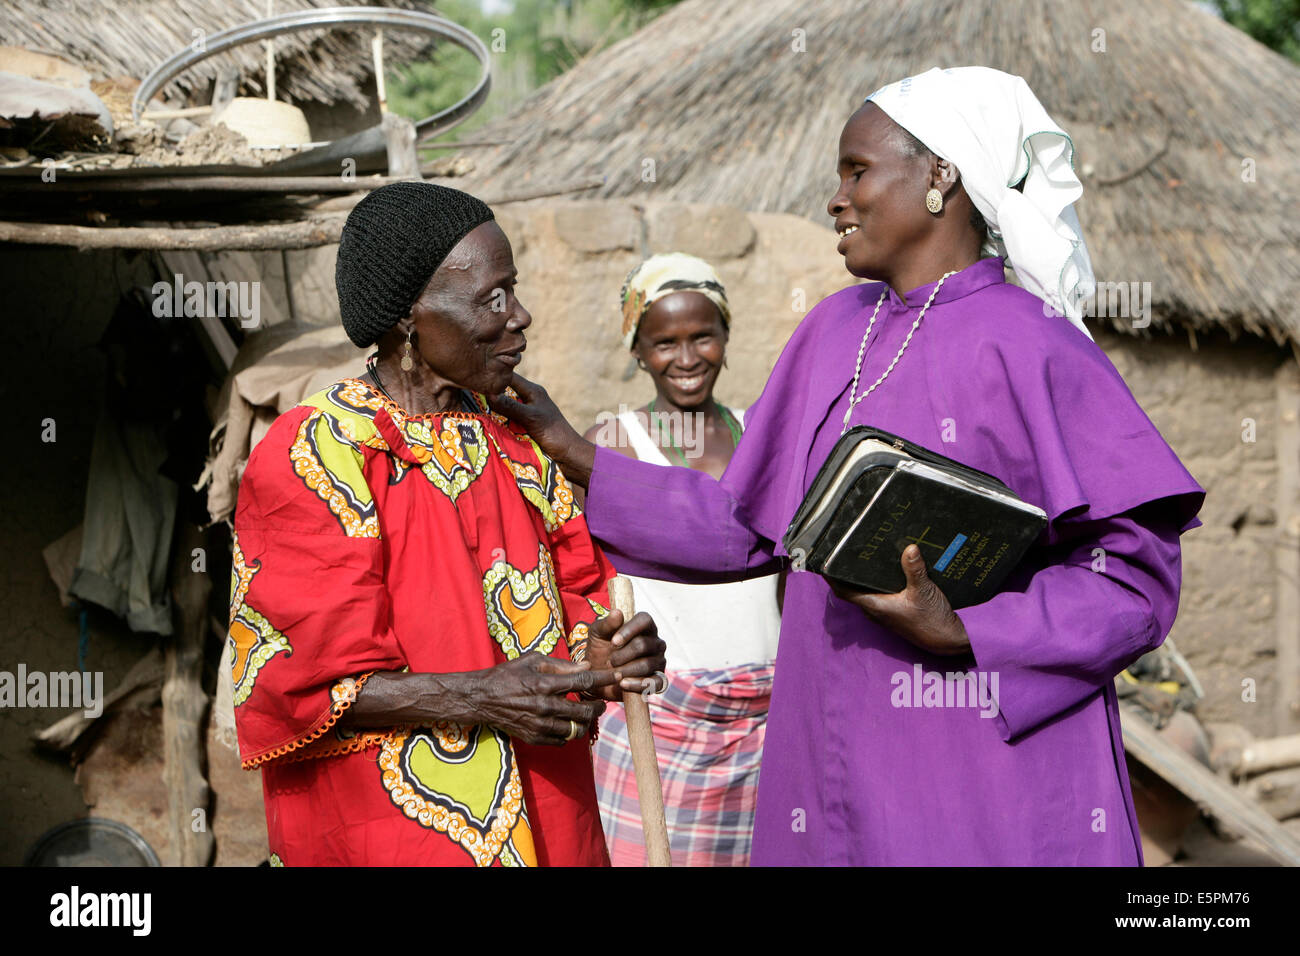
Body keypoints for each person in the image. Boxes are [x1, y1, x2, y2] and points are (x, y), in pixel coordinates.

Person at [490, 67, 1205, 865]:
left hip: (976, 758)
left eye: (856, 171)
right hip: (829, 747)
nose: (835, 198)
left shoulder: (1033, 343)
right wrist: (571, 450)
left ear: (941, 176)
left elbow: (1132, 580)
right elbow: (746, 526)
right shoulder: (835, 330)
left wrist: (967, 627)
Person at [228, 181, 665, 867]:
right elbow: (299, 683)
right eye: (493, 297)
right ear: (409, 317)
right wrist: (484, 695)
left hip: (552, 815)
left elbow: (579, 603)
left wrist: (605, 658)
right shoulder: (316, 452)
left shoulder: (518, 443)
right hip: (394, 829)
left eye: (513, 291)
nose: (519, 316)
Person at [583, 253, 781, 867]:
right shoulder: (613, 446)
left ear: (726, 336)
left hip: (765, 717)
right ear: (637, 351)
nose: (688, 358)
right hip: (661, 718)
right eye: (664, 342)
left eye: (703, 336)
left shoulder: (760, 435)